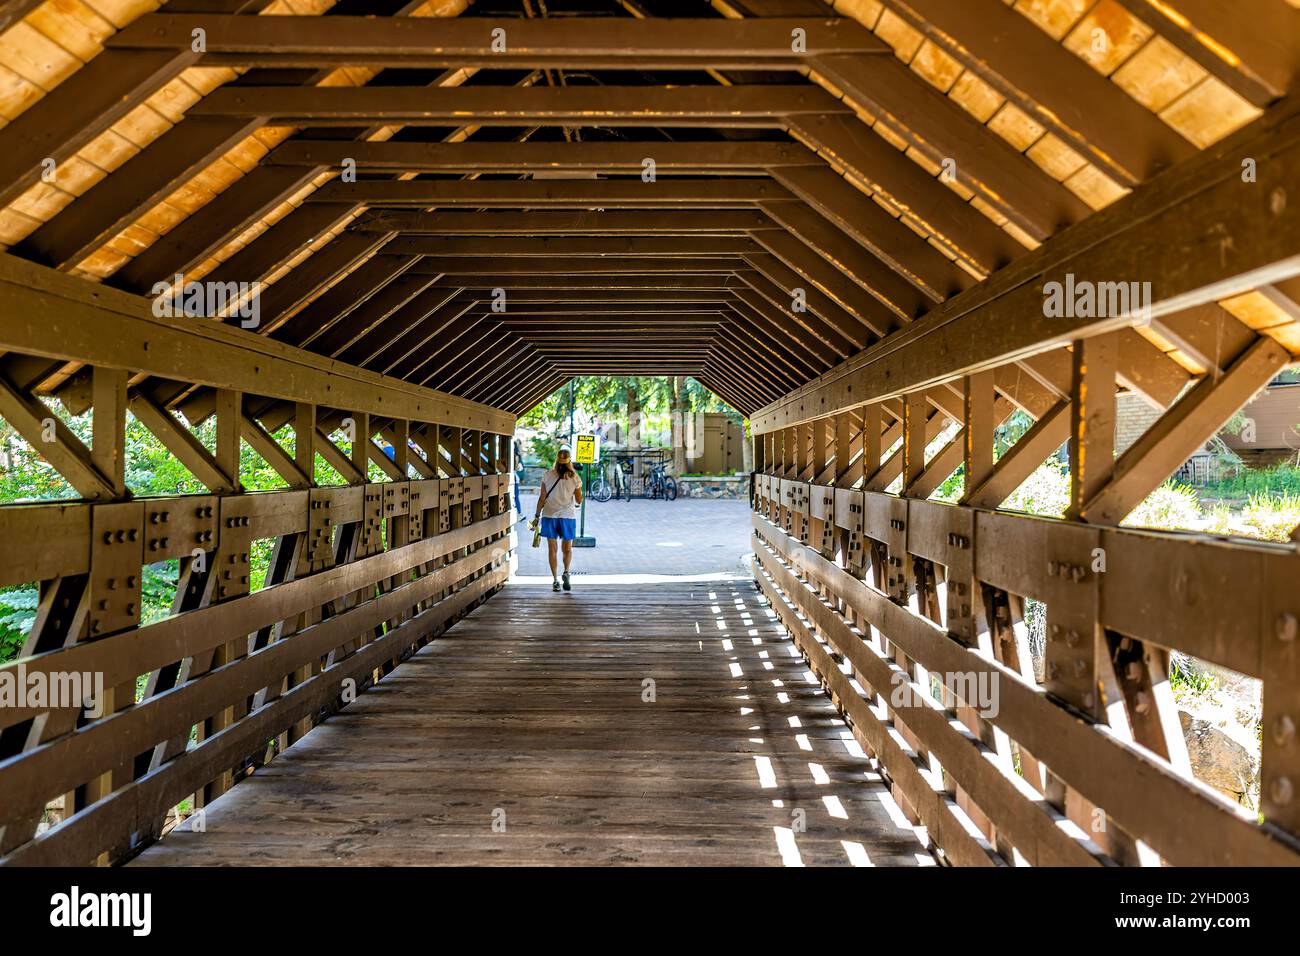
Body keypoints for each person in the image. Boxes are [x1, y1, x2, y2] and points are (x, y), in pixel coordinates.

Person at [530, 444, 583, 592]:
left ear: (557, 460)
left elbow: (542, 498)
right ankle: (566, 572)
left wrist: (536, 516)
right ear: (569, 461)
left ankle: (554, 581)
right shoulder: (575, 478)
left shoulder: (547, 475)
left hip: (549, 515)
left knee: (552, 550)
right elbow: (579, 500)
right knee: (567, 549)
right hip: (568, 516)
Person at [513, 437, 525, 518]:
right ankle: (519, 513)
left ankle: (519, 513)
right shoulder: (518, 455)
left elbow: (515, 468)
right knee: (516, 496)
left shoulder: (515, 456)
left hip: (514, 477)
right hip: (515, 478)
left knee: (516, 496)